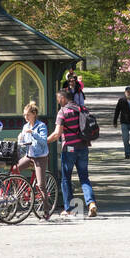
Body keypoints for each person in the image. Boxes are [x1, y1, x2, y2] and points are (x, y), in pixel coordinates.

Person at [48, 89, 97, 218]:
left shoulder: (63, 112)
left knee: (66, 179)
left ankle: (69, 209)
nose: (58, 101)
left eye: (59, 99)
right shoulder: (83, 109)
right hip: (83, 147)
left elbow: (57, 133)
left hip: (69, 149)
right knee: (84, 177)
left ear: (64, 98)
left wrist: (45, 141)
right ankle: (91, 203)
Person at [17, 101, 50, 214]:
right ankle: (23, 192)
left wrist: (33, 133)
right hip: (29, 155)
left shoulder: (41, 126)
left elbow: (44, 141)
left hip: (40, 156)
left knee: (41, 184)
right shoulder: (25, 126)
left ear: (34, 114)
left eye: (28, 115)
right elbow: (23, 144)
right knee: (15, 169)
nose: (25, 117)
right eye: (24, 115)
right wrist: (20, 139)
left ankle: (46, 211)